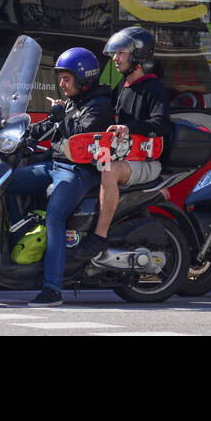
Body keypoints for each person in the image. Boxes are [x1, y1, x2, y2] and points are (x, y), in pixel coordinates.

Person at [5, 48, 114, 306]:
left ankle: (52, 288)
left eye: (66, 79)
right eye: (61, 78)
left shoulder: (98, 107)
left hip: (79, 172)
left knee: (55, 216)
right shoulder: (74, 103)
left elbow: (78, 134)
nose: (62, 84)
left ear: (83, 79)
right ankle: (22, 233)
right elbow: (50, 126)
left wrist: (61, 116)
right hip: (55, 165)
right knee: (5, 182)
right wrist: (20, 134)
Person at [75, 28, 173, 260]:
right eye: (115, 53)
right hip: (128, 157)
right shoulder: (124, 87)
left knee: (108, 170)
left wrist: (130, 128)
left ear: (137, 56)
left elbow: (161, 123)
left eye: (121, 53)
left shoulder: (153, 87)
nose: (116, 59)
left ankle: (99, 236)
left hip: (146, 160)